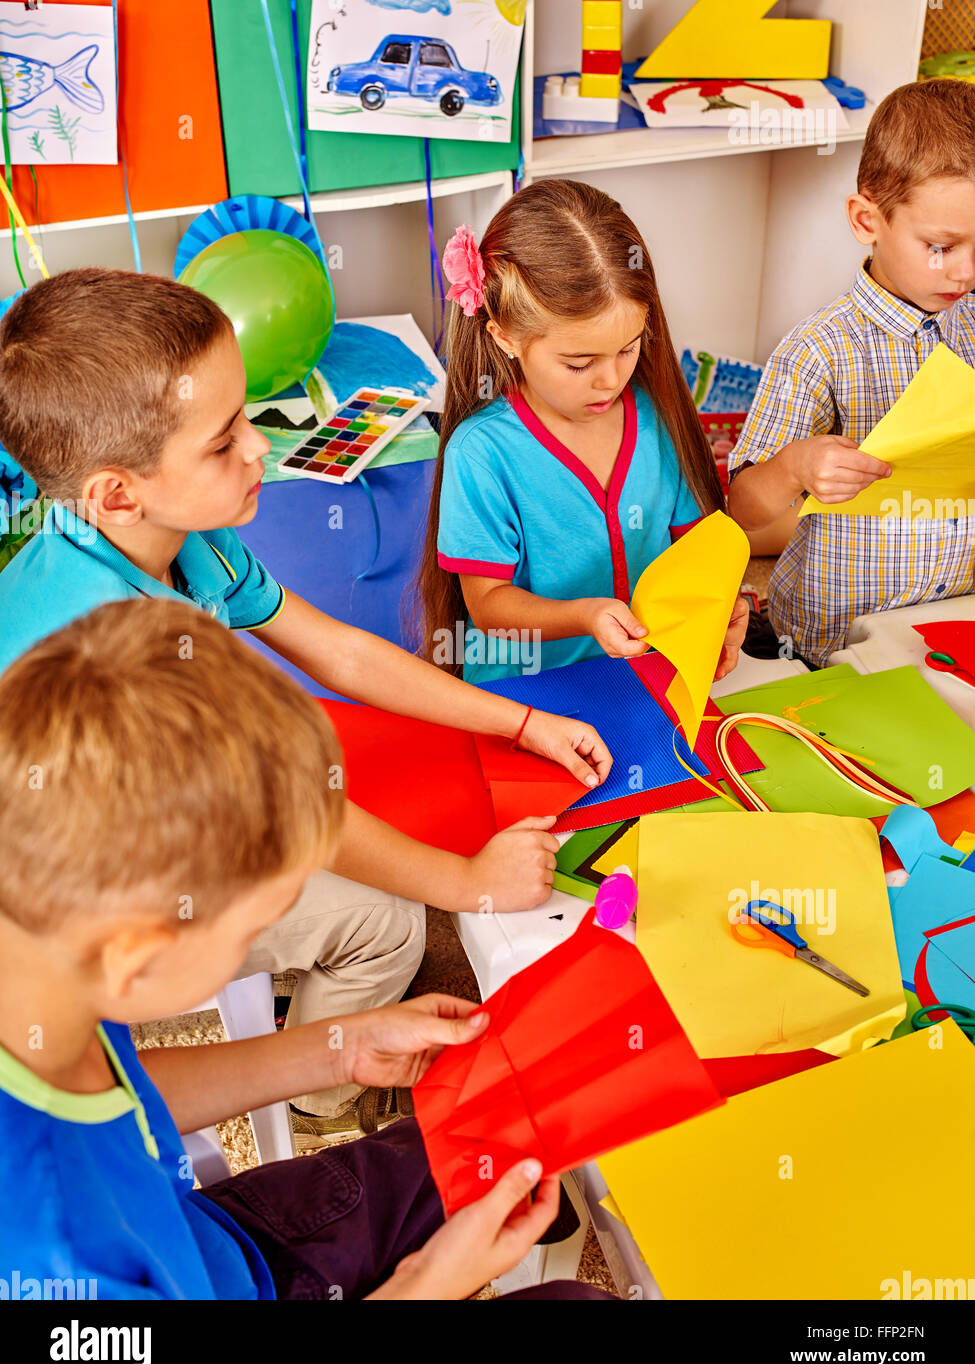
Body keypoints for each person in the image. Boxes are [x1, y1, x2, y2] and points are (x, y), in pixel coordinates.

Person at [0, 268, 612, 1133]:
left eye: (243, 416)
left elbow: (338, 651)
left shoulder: (175, 541)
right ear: (115, 491)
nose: (258, 448)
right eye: (222, 443)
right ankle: (319, 1101)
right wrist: (467, 884)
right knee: (392, 925)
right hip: (61, 925)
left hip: (132, 837)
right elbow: (301, 813)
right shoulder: (117, 641)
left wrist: (519, 719)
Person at [0, 599, 613, 1300]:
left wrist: (335, 1047)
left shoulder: (47, 969)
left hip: (217, 1245)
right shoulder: (52, 1260)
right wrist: (424, 1286)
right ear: (136, 958)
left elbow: (117, 1098)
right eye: (261, 918)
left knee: (498, 1150)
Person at [419, 178, 749, 684]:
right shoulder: (482, 453)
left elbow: (696, 552)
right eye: (579, 363)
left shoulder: (658, 420)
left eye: (628, 348)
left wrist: (724, 605)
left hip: (648, 684)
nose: (612, 380)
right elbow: (487, 606)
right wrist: (586, 617)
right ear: (505, 337)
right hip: (529, 697)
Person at [727, 79, 975, 667]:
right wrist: (796, 467)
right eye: (941, 246)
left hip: (948, 623)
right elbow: (742, 510)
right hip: (831, 639)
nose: (965, 271)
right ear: (868, 220)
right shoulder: (817, 350)